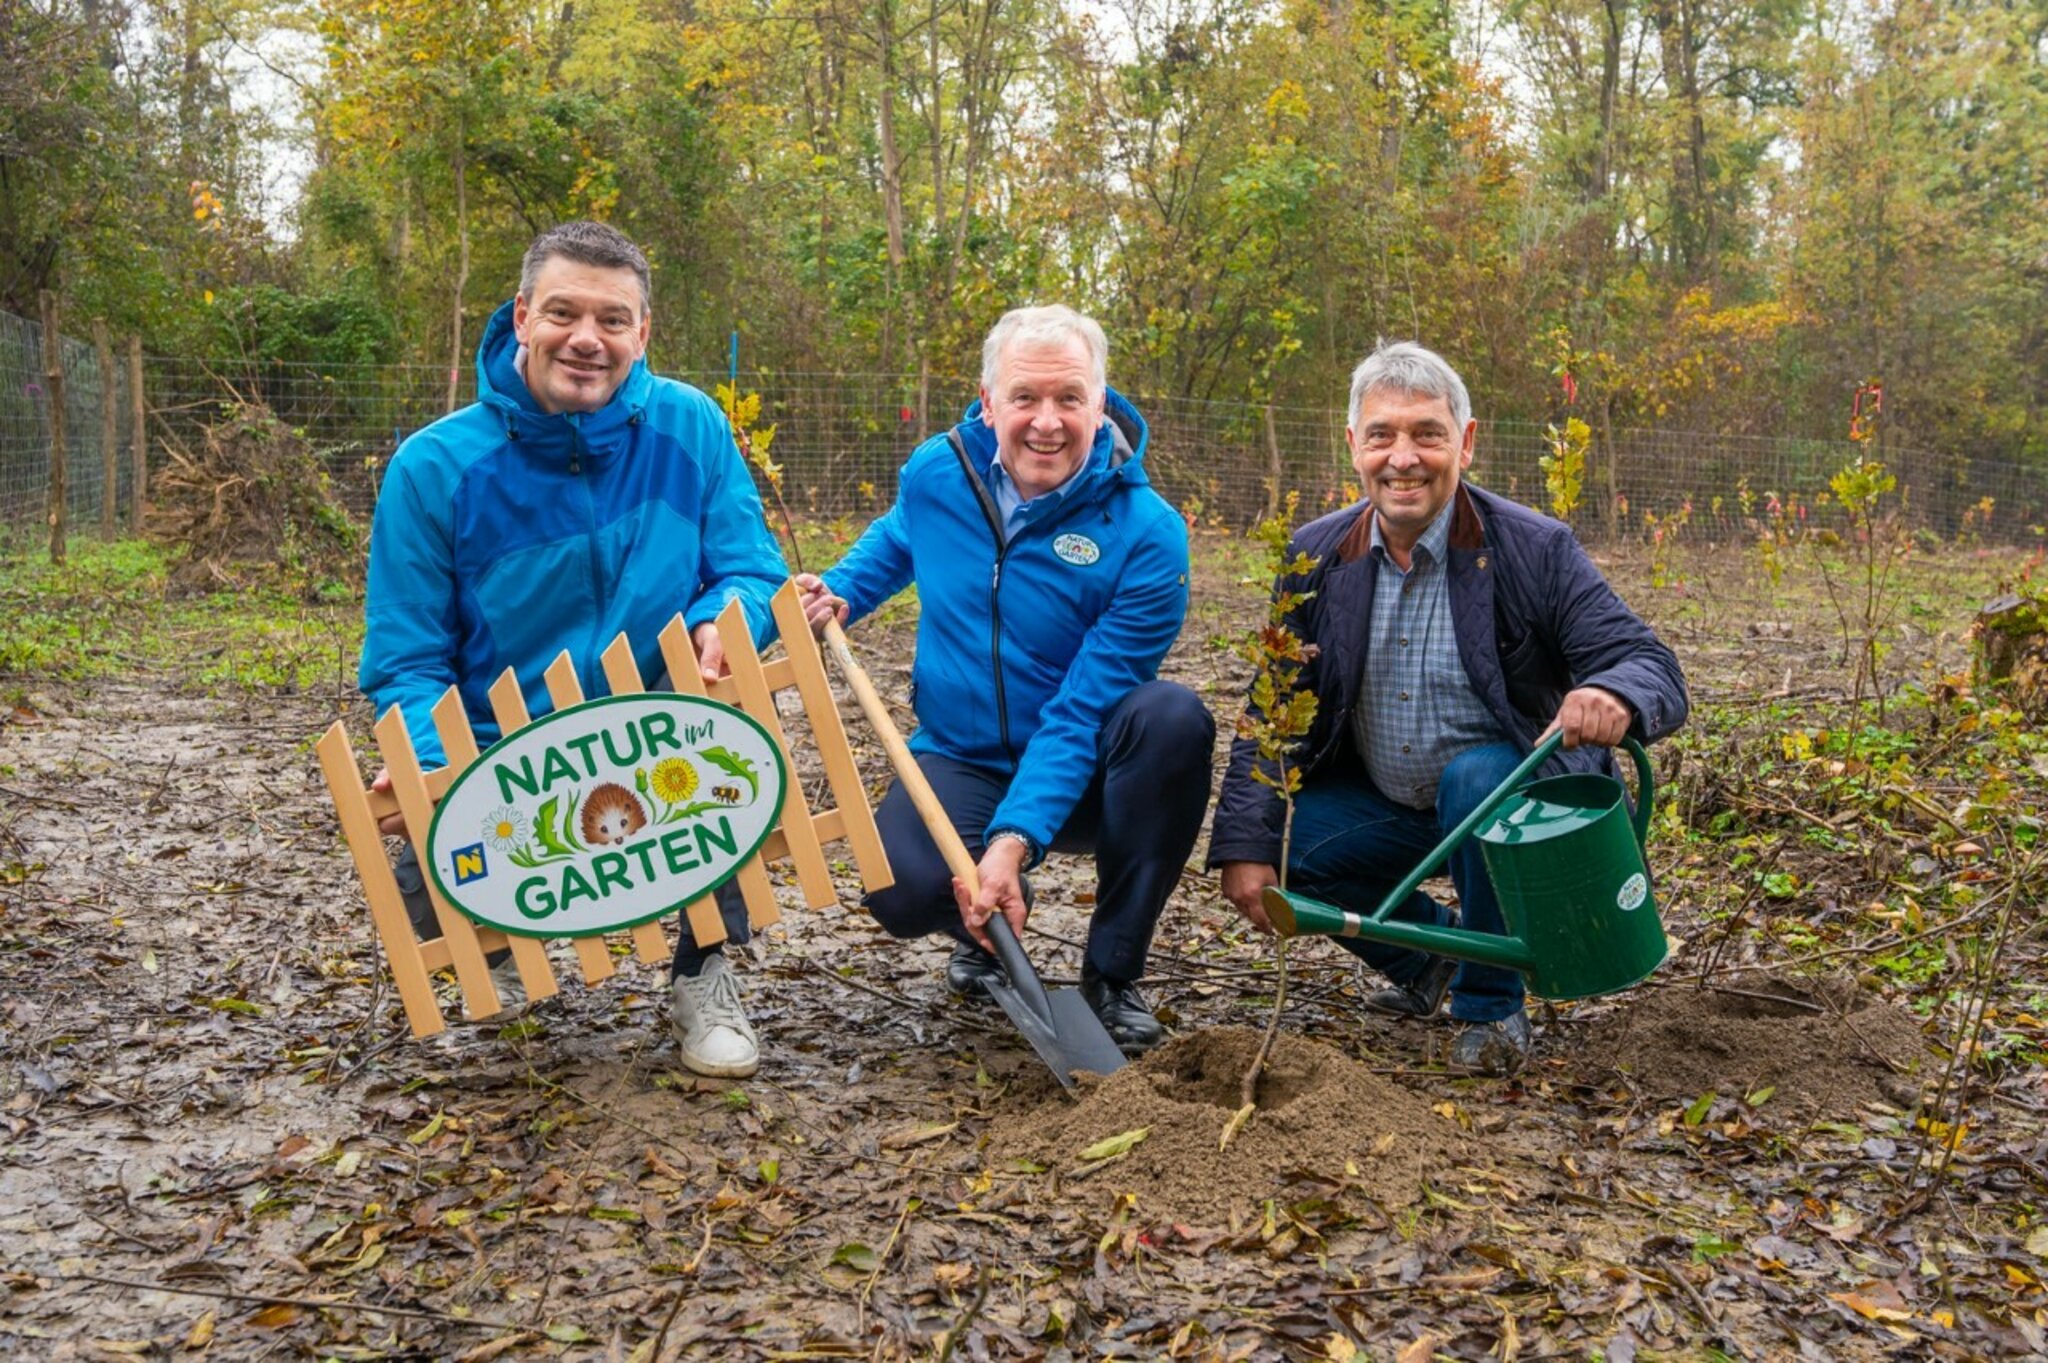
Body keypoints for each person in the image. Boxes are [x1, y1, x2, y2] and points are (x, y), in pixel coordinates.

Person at [358, 221, 789, 1078]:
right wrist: (436, 767)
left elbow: (749, 567)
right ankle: (499, 954)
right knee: (428, 878)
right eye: (563, 312)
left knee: (745, 735)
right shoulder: (433, 468)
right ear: (521, 317)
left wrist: (723, 619)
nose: (587, 339)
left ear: (643, 332)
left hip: (660, 729)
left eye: (613, 319)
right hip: (506, 742)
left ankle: (703, 971)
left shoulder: (690, 426)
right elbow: (407, 657)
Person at [1209, 340, 1688, 1075]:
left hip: (1514, 804)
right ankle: (1434, 963)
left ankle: (1492, 1004)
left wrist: (1613, 692)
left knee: (1476, 781)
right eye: (1382, 435)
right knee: (1289, 846)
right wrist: (1244, 843)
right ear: (1353, 446)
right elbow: (1272, 704)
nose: (1404, 457)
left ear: (1464, 442)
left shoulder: (1534, 547)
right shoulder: (1316, 555)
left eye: (1427, 434)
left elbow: (1651, 663)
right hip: (1391, 803)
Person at [796, 305, 1213, 1053]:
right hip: (963, 751)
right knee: (897, 891)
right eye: (1025, 397)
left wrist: (1013, 840)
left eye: (1068, 398)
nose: (1046, 422)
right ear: (989, 403)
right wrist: (846, 588)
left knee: (1172, 720)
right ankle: (979, 922)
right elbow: (901, 534)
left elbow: (1085, 709)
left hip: (1091, 769)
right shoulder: (938, 470)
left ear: (1101, 400)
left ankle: (1112, 973)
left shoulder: (1149, 534)